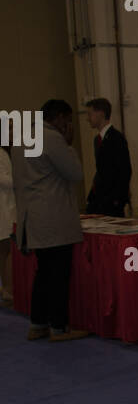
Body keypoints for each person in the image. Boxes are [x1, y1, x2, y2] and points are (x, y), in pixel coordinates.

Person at [9, 99, 88, 342]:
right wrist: (69, 145)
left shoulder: (23, 137)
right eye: (69, 120)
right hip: (54, 216)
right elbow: (75, 173)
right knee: (58, 273)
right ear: (61, 118)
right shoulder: (51, 137)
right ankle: (59, 327)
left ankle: (38, 323)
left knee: (43, 272)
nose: (69, 125)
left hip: (32, 216)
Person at [85, 97, 132, 216]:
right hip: (99, 198)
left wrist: (117, 199)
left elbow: (125, 170)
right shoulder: (97, 140)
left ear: (101, 114)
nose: (87, 118)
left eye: (90, 114)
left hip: (112, 200)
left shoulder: (116, 138)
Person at [0, 141, 15, 305]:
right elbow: (4, 180)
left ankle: (6, 287)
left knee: (4, 251)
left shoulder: (6, 153)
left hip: (6, 207)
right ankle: (9, 288)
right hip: (5, 209)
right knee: (8, 250)